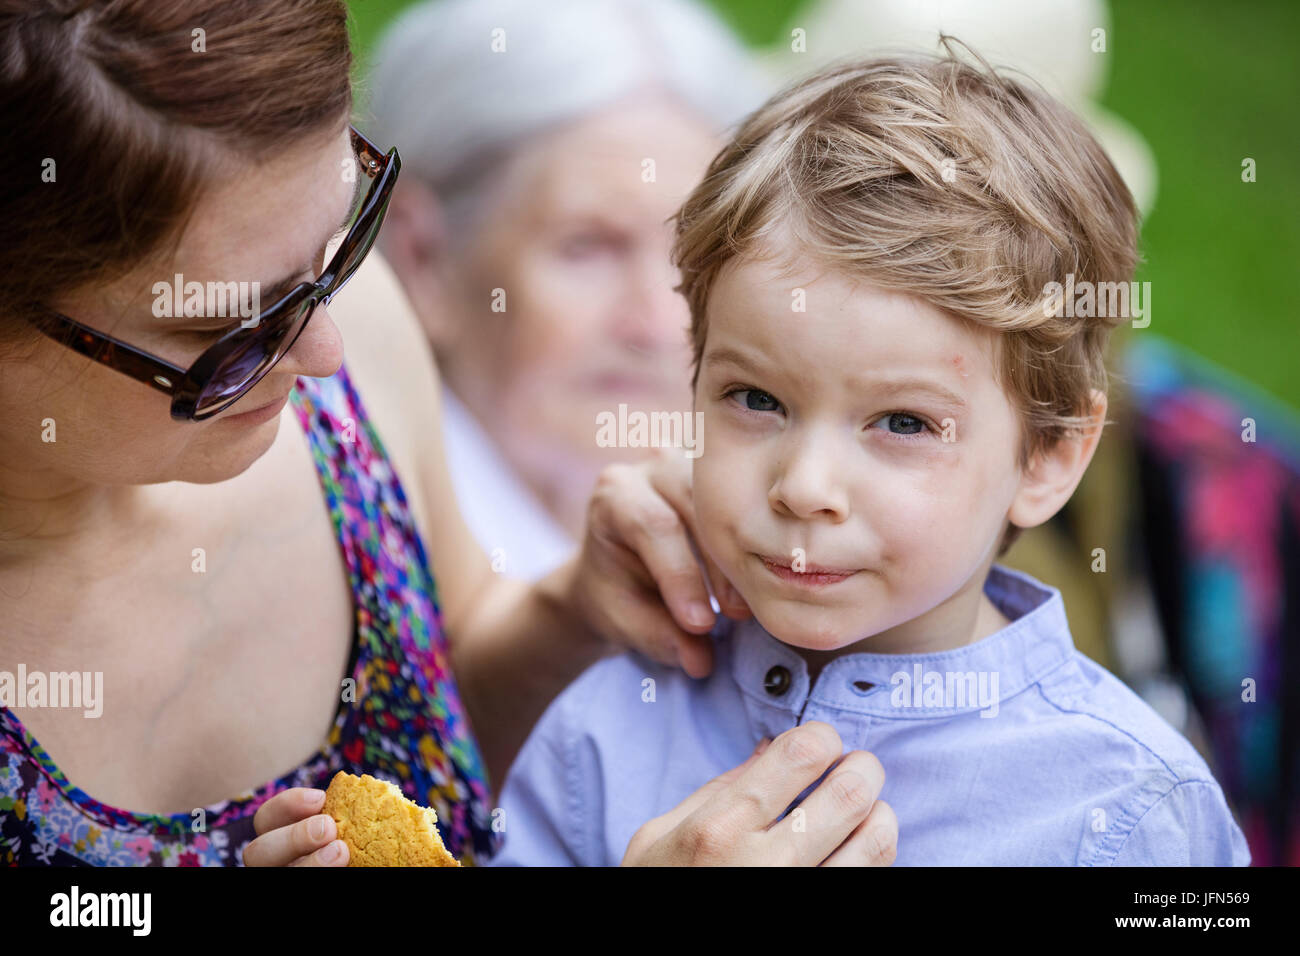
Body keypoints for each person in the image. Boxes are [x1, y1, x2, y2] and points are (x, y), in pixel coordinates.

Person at [0, 0, 896, 867]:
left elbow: (445, 688)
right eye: (225, 334)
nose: (325, 351)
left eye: (336, 250)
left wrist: (571, 611)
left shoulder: (360, 360)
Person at [489, 46, 1252, 866]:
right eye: (756, 400)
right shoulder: (606, 719)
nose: (806, 487)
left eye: (902, 423)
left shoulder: (1132, 810)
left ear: (1049, 456)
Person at [367, 0, 772, 579]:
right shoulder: (359, 559)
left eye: (698, 256)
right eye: (589, 247)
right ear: (424, 260)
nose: (660, 323)